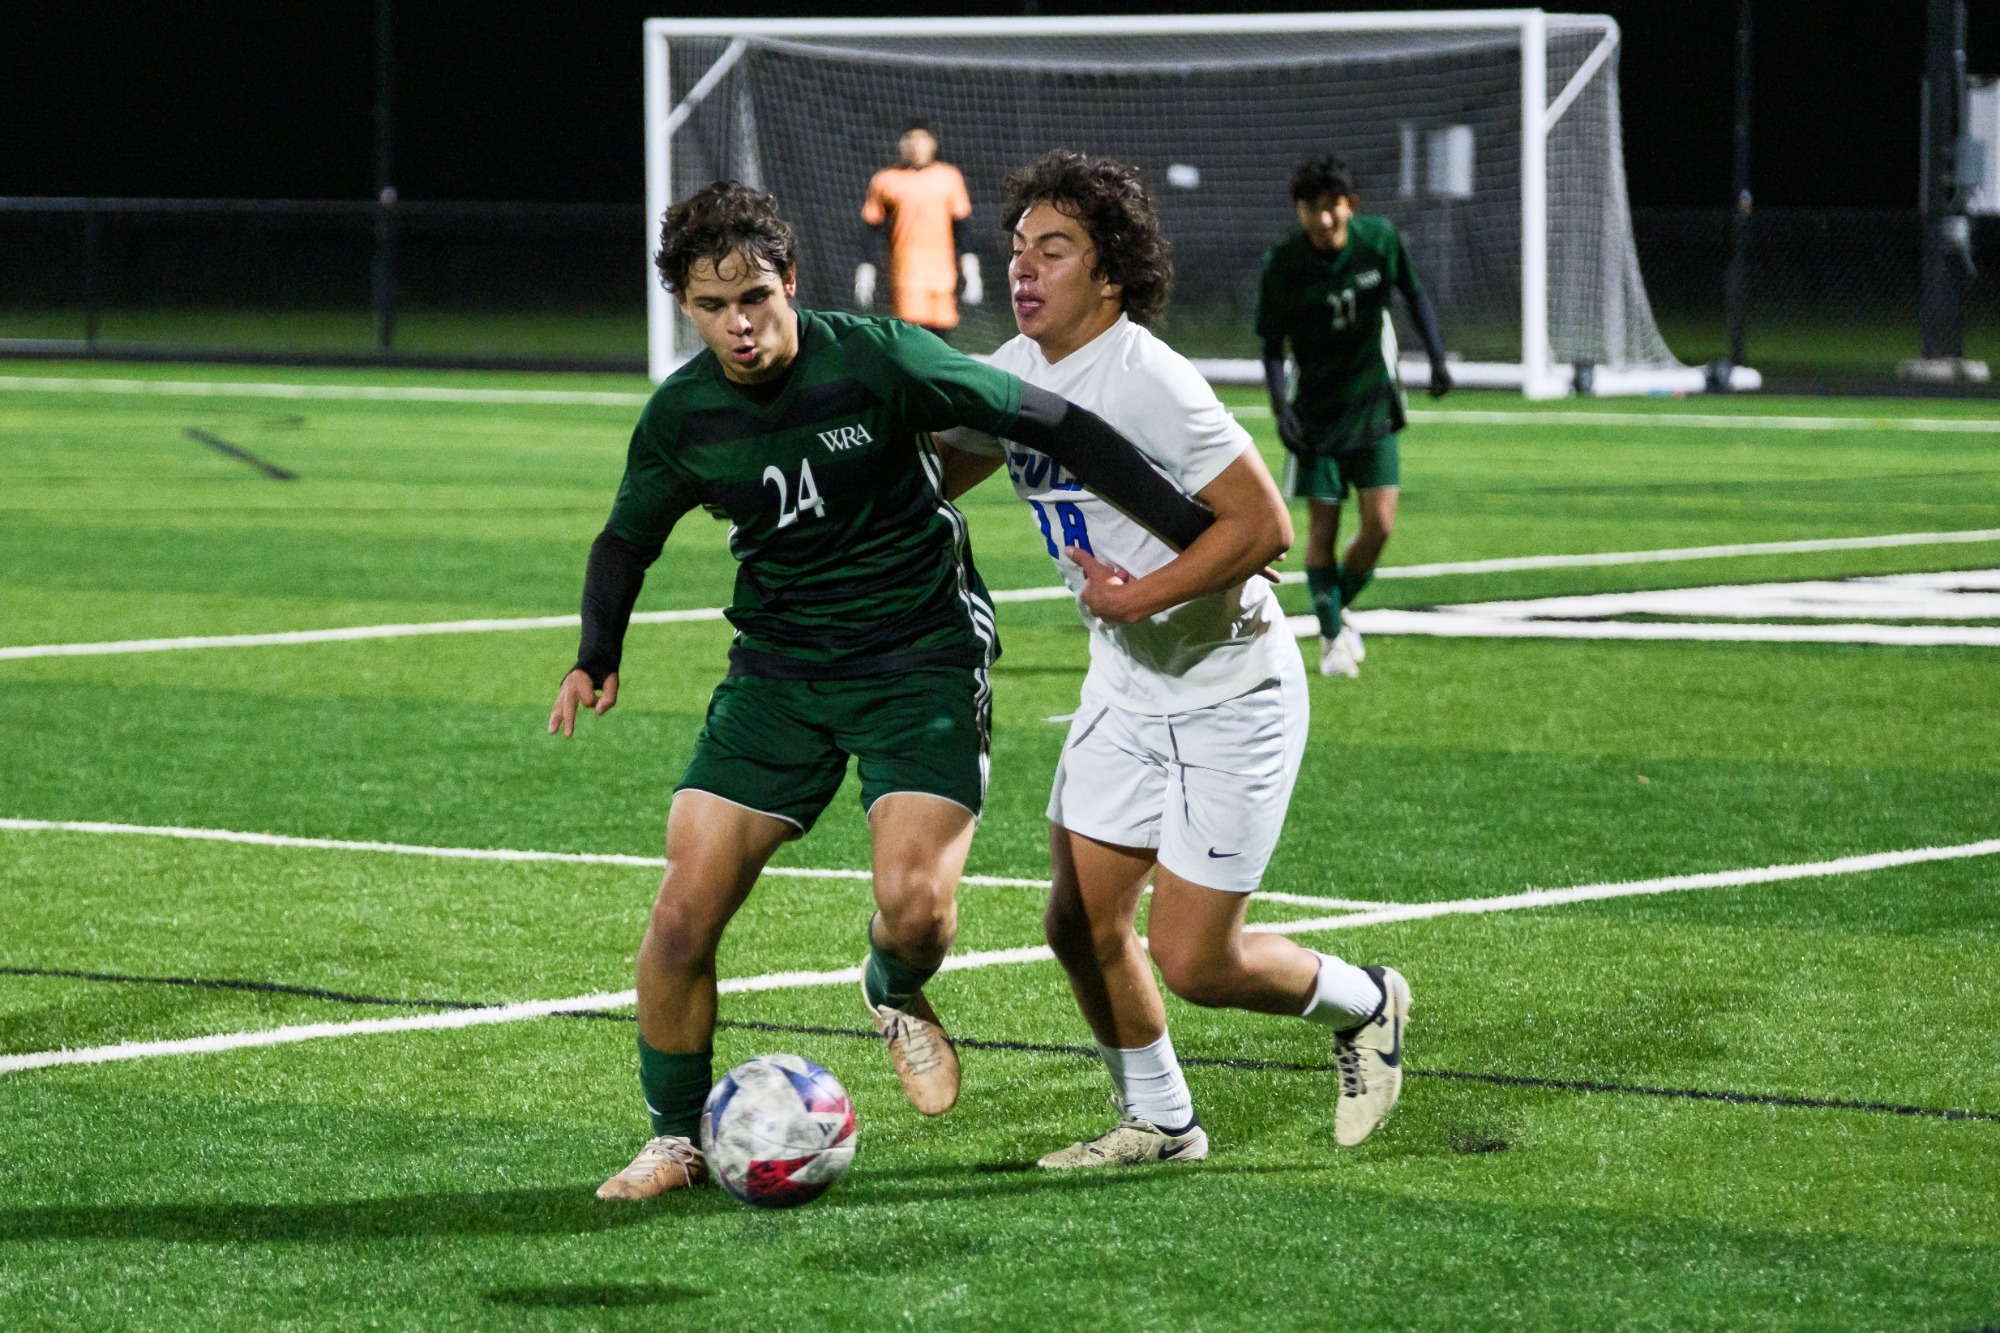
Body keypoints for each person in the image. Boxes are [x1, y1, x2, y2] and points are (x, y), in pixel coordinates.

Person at [551, 180, 1218, 1202]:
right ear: (683, 305)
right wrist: (595, 652)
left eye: (755, 298)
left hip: (919, 658)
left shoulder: (878, 358)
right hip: (778, 673)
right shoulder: (682, 415)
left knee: (917, 912)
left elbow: (1054, 419)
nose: (738, 325)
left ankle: (893, 983)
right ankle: (675, 1140)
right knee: (681, 917)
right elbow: (623, 540)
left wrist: (1192, 532)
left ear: (790, 281)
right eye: (711, 307)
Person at [935, 151, 1410, 1168]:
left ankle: (1365, 1000)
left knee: (1197, 960)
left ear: (1109, 274)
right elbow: (934, 473)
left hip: (1230, 690)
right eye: (1017, 247)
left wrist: (1134, 596)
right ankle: (1160, 1121)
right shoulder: (1016, 372)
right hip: (1125, 686)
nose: (1022, 267)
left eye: (1053, 249)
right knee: (1077, 922)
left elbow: (1263, 525)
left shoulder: (1145, 379)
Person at [1256, 155, 1451, 678]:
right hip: (1315, 414)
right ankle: (1331, 639)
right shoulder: (1284, 264)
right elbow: (1271, 344)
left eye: (1332, 207)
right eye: (1311, 208)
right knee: (1322, 527)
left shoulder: (1379, 241)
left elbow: (1413, 293)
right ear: (1297, 211)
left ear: (1351, 206)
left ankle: (1333, 607)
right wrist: (1280, 410)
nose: (1323, 219)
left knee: (1379, 526)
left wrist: (1436, 358)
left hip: (1373, 404)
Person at [857, 122, 983, 340]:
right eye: (910, 139)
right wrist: (866, 272)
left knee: (941, 339)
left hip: (943, 276)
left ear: (933, 143)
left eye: (922, 139)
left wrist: (972, 272)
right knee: (912, 338)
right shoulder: (885, 180)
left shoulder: (949, 177)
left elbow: (962, 227)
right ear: (901, 144)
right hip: (906, 275)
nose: (915, 145)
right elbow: (872, 230)